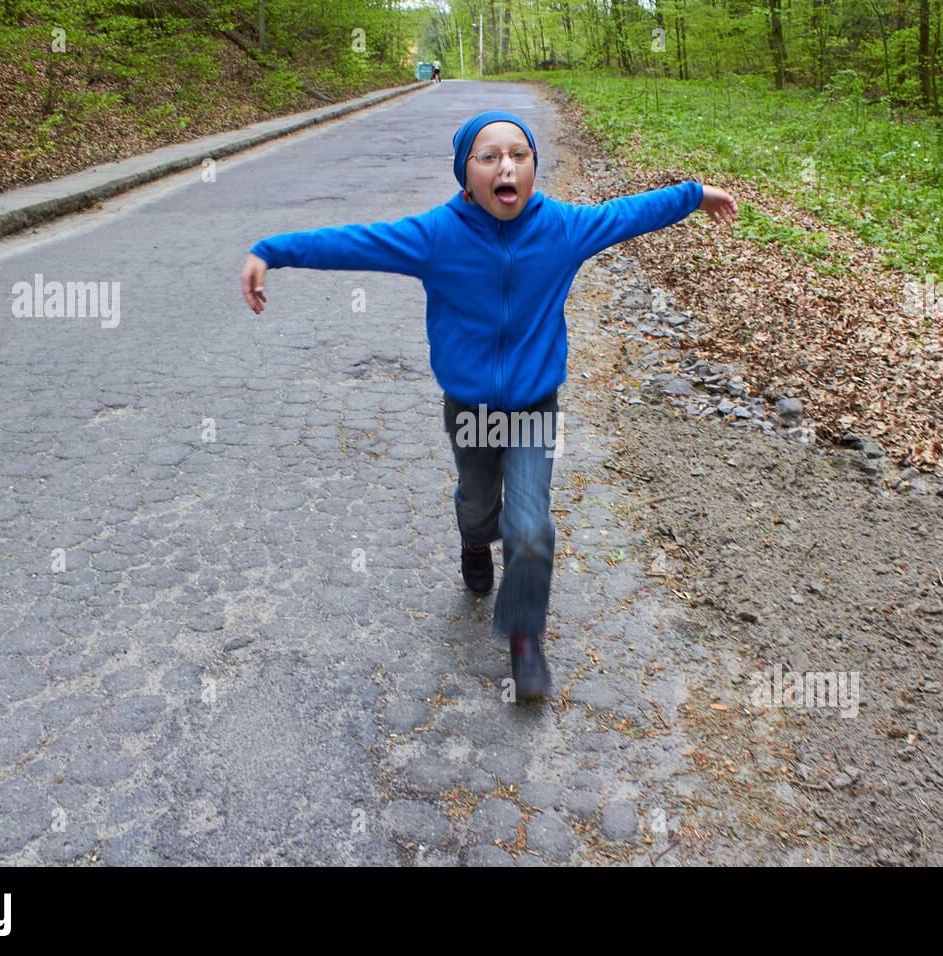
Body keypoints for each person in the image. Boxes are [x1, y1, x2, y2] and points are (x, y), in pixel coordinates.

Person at [240, 109, 738, 700]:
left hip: (533, 407)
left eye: (519, 155)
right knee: (479, 504)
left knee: (529, 526)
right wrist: (271, 251)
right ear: (466, 177)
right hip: (470, 408)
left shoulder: (565, 229)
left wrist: (695, 194)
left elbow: (631, 212)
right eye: (489, 157)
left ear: (532, 169)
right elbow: (353, 241)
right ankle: (474, 542)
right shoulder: (435, 238)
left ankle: (525, 639)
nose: (506, 166)